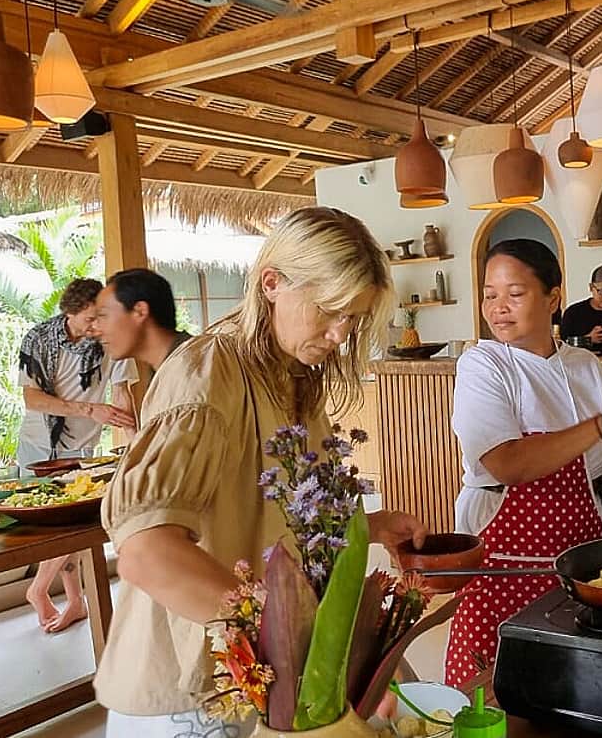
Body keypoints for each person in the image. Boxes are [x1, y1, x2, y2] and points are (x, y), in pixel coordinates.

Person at [94, 208, 427, 738]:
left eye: (353, 318)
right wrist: (296, 638)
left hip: (271, 679)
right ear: (271, 283)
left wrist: (369, 525)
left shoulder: (292, 372)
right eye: (330, 310)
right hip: (194, 687)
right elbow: (146, 552)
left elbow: (270, 512)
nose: (340, 334)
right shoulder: (208, 375)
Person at [444, 239, 602, 687]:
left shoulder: (585, 365)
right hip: (504, 565)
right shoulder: (483, 365)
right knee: (497, 695)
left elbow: (592, 469)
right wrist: (600, 425)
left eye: (514, 293)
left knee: (572, 691)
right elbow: (507, 464)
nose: (499, 307)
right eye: (490, 294)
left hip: (578, 565)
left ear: (553, 298)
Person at [18, 277, 138, 634]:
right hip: (37, 444)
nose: (96, 325)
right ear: (70, 313)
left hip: (80, 450)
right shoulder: (38, 339)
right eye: (89, 318)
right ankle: (75, 601)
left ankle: (41, 590)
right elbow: (32, 399)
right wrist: (89, 410)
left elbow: (122, 397)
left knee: (72, 527)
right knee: (46, 527)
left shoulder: (111, 339)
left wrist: (137, 447)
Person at [95, 268, 192, 374]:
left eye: (103, 315)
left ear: (140, 311)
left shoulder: (190, 369)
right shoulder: (169, 367)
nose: (96, 329)